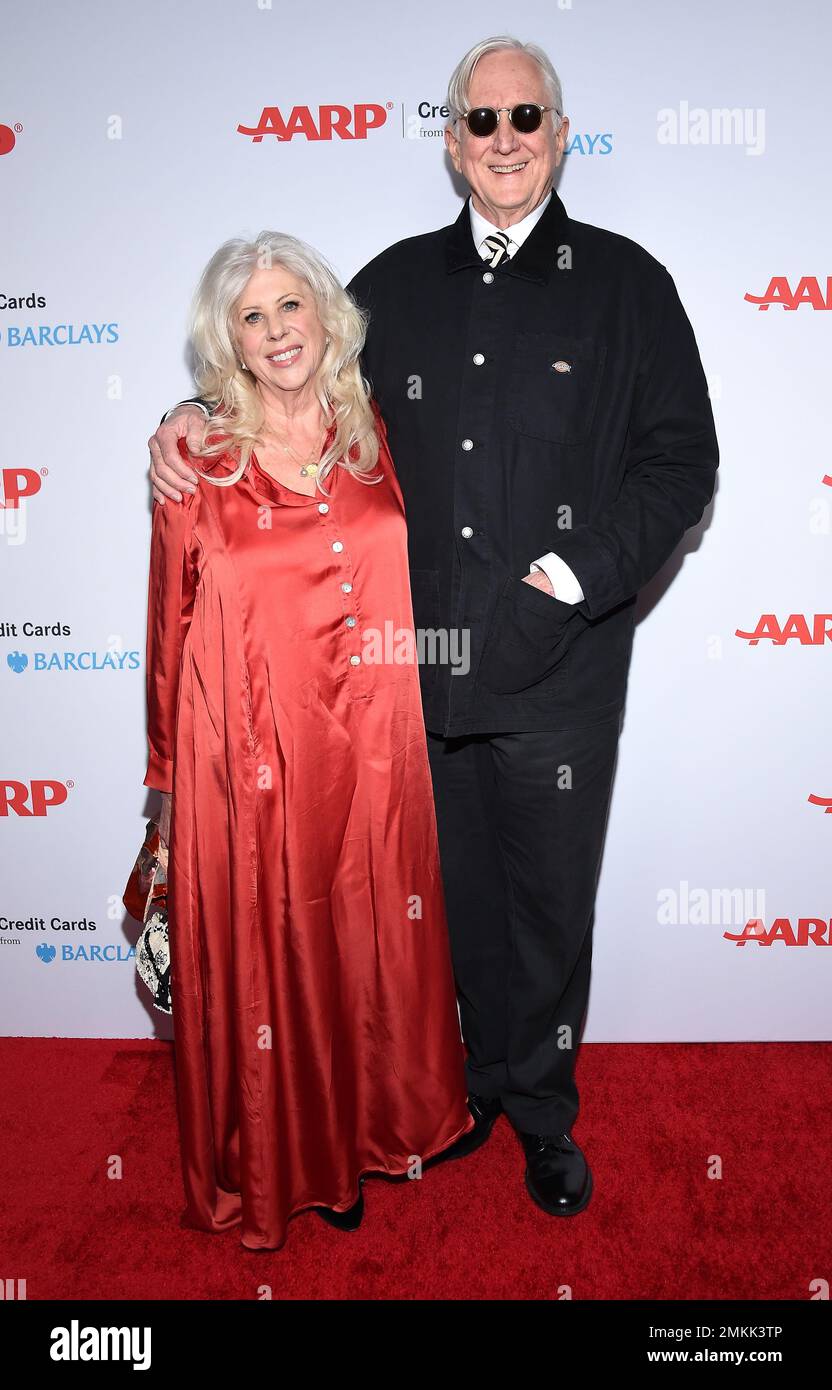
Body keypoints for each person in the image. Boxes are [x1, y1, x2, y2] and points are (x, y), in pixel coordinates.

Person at [148, 36, 719, 1219]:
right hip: (417, 681)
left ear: (559, 135)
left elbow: (680, 465)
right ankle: (468, 1092)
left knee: (549, 908)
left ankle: (545, 1114)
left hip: (560, 674)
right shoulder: (390, 287)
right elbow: (287, 375)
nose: (503, 140)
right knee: (445, 906)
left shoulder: (628, 285)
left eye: (526, 118)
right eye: (480, 121)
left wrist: (573, 573)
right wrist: (185, 413)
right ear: (450, 141)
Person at [142, 230, 473, 1251]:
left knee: (379, 926)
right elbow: (169, 621)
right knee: (285, 942)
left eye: (292, 306)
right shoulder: (195, 456)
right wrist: (168, 785)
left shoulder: (375, 426)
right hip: (258, 754)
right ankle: (306, 1156)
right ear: (226, 343)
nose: (277, 330)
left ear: (325, 314)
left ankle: (398, 1121)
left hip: (377, 744)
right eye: (252, 315)